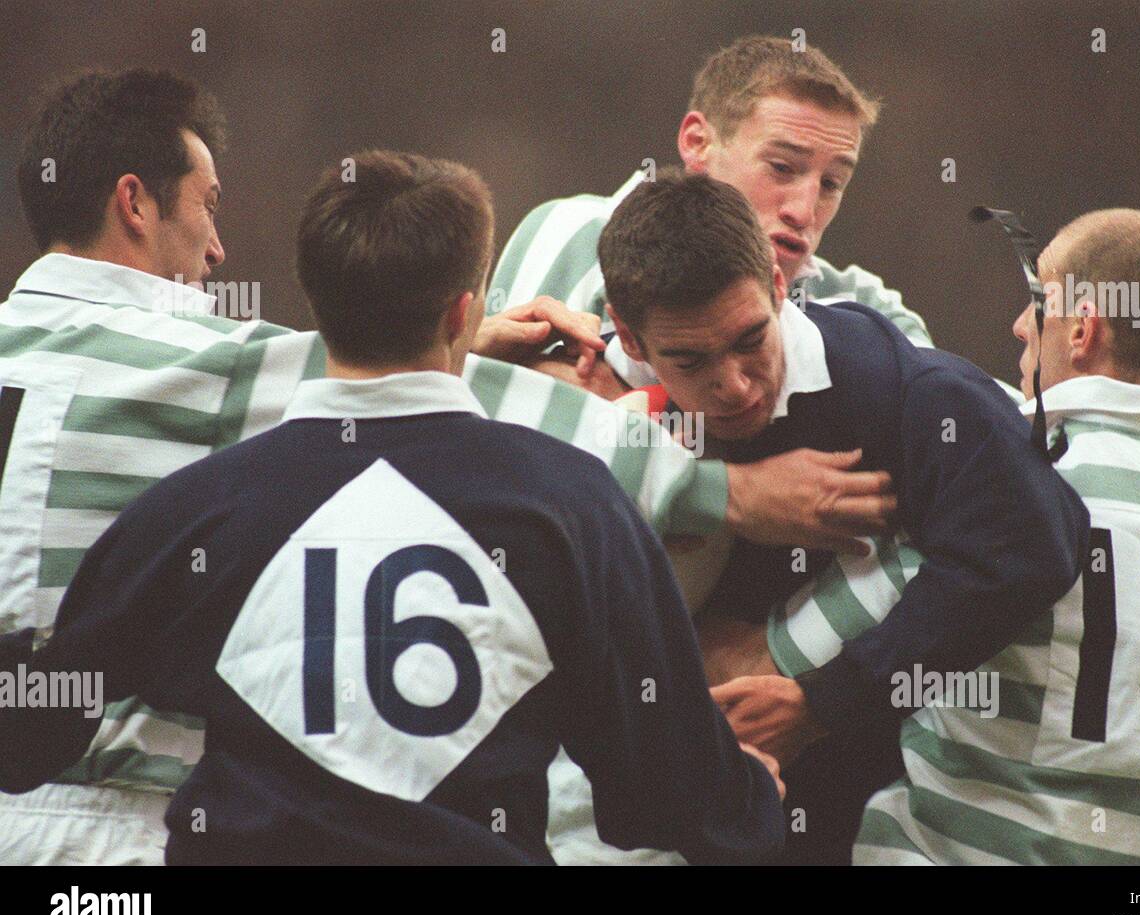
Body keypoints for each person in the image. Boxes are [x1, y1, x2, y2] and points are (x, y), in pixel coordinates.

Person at [0, 68, 885, 864]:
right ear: (135, 203)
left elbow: (36, 721)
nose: (220, 248)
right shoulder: (222, 368)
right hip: (125, 826)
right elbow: (663, 781)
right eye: (212, 203)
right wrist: (727, 491)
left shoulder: (193, 512)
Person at [545, 170, 1090, 864]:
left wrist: (825, 701)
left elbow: (1035, 544)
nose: (734, 384)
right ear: (631, 335)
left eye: (750, 340)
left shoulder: (908, 394)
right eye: (691, 359)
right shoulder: (588, 393)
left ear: (778, 284)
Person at [837, 210, 1140, 864]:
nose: (1018, 323)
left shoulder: (1028, 468)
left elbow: (864, 612)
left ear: (1083, 330)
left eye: (1038, 300)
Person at [488, 34, 932, 396]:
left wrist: (620, 405)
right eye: (781, 168)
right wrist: (730, 487)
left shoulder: (864, 306)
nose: (802, 211)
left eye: (831, 184)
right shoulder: (577, 232)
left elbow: (969, 429)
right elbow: (513, 427)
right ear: (698, 142)